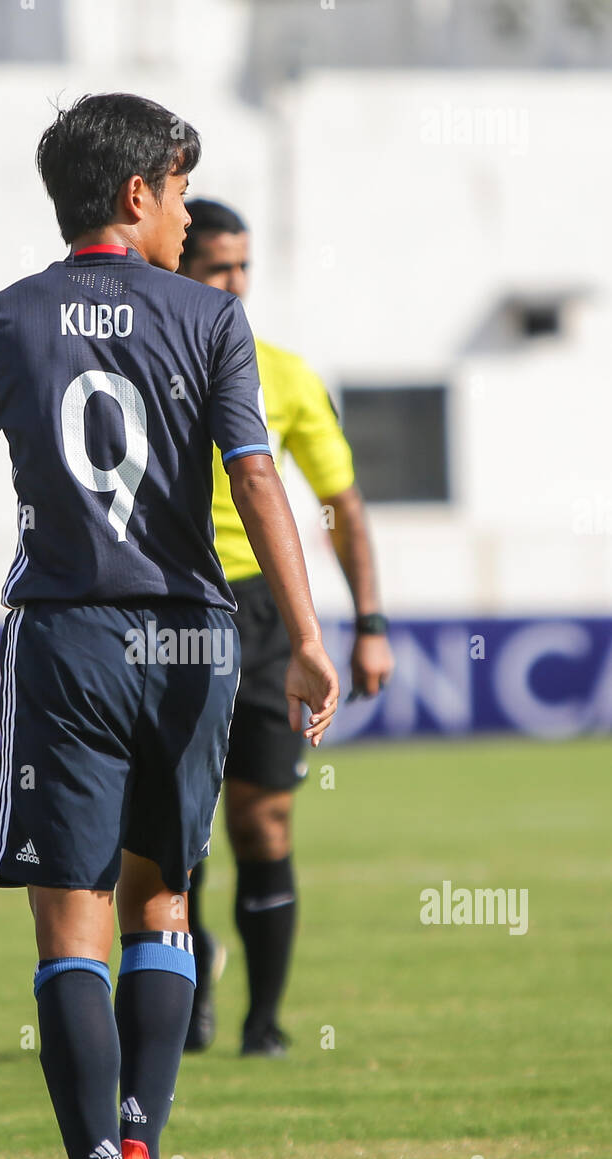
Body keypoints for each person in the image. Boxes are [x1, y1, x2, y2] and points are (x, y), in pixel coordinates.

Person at [0, 95, 339, 1159]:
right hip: (194, 641)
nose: (190, 217)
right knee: (163, 900)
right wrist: (301, 631)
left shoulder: (3, 318)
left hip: (69, 639)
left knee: (69, 918)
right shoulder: (209, 320)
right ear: (136, 194)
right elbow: (255, 481)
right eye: (181, 191)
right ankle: (146, 1150)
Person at [179, 199, 393, 1057]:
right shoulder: (145, 364)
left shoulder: (288, 375)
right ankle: (184, 1002)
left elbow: (343, 507)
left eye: (242, 268)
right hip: (169, 609)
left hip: (264, 614)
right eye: (214, 270)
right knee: (171, 830)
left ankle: (263, 1024)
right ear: (176, 270)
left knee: (261, 821)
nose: (233, 285)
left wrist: (368, 622)